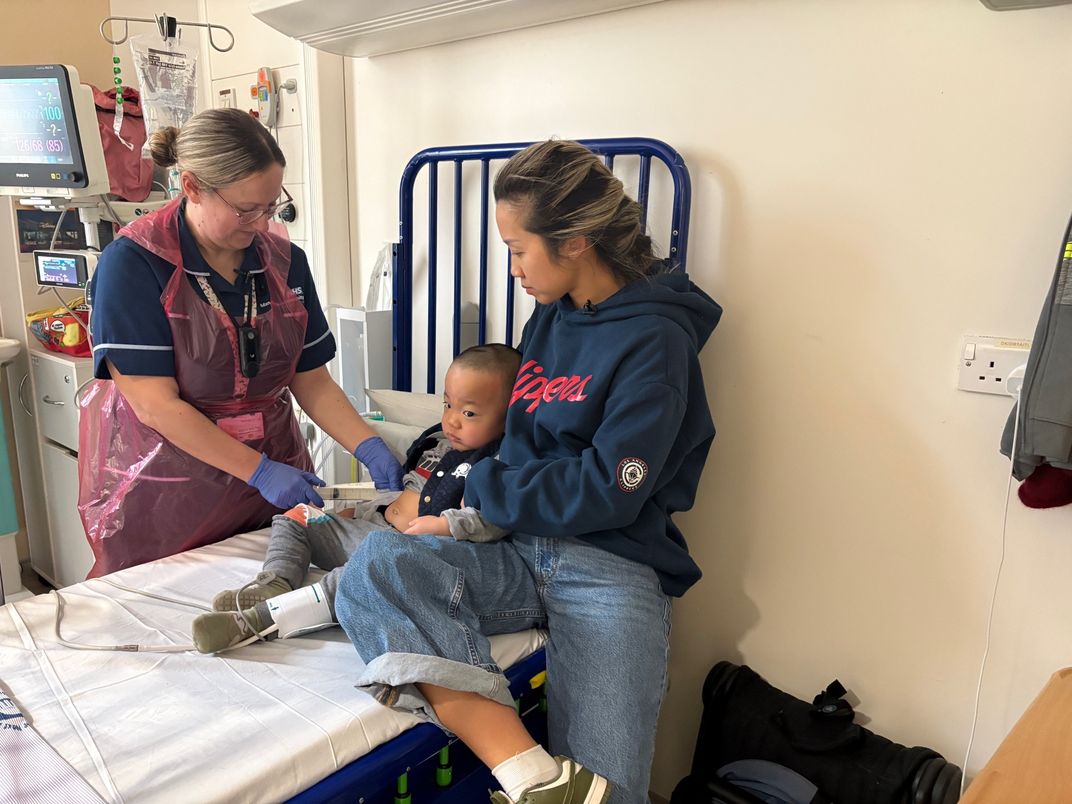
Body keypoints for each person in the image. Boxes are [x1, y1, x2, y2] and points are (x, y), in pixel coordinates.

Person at [332, 140, 721, 804]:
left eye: (517, 249)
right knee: (377, 564)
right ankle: (530, 774)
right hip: (513, 545)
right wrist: (454, 508)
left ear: (574, 242)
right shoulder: (551, 317)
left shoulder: (658, 342)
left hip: (610, 568)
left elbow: (608, 492)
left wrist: (480, 486)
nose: (511, 268)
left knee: (611, 793)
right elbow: (513, 440)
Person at [78, 108, 404, 579]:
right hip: (172, 490)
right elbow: (156, 406)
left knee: (279, 594)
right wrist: (259, 471)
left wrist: (367, 445)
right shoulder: (134, 264)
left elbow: (309, 378)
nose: (260, 222)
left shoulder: (284, 263)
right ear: (191, 187)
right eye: (246, 208)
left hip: (271, 483)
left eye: (271, 206)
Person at [188, 343, 522, 653]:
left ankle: (261, 621)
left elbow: (492, 520)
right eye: (448, 403)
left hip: (411, 553)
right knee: (297, 516)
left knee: (359, 573)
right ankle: (275, 582)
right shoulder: (435, 443)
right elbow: (400, 493)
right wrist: (355, 514)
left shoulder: (496, 463)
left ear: (510, 415)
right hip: (373, 529)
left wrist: (445, 526)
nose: (451, 419)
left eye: (469, 414)